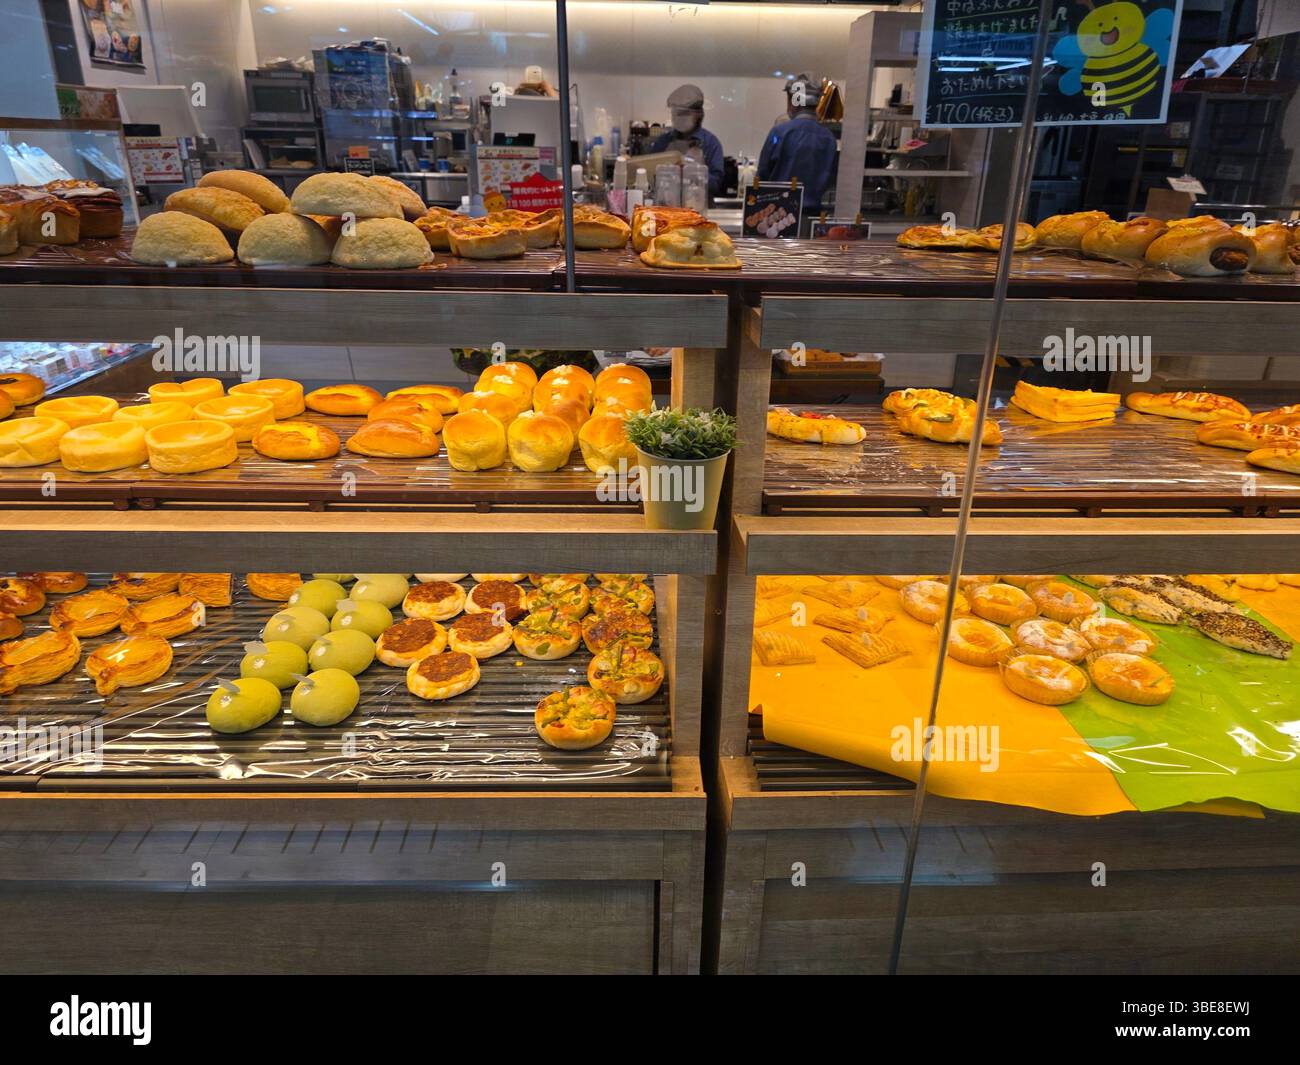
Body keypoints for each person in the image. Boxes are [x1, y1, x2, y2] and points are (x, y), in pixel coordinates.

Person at [757, 74, 839, 212]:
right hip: (813, 214)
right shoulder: (828, 138)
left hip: (777, 213)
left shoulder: (779, 133)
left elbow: (762, 176)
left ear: (793, 101)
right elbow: (831, 178)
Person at [646, 84, 725, 199]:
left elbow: (716, 185)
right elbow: (649, 177)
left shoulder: (710, 143)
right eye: (674, 113)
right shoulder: (663, 142)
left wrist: (694, 171)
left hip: (698, 208)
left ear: (697, 115)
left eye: (683, 114)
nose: (677, 118)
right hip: (667, 208)